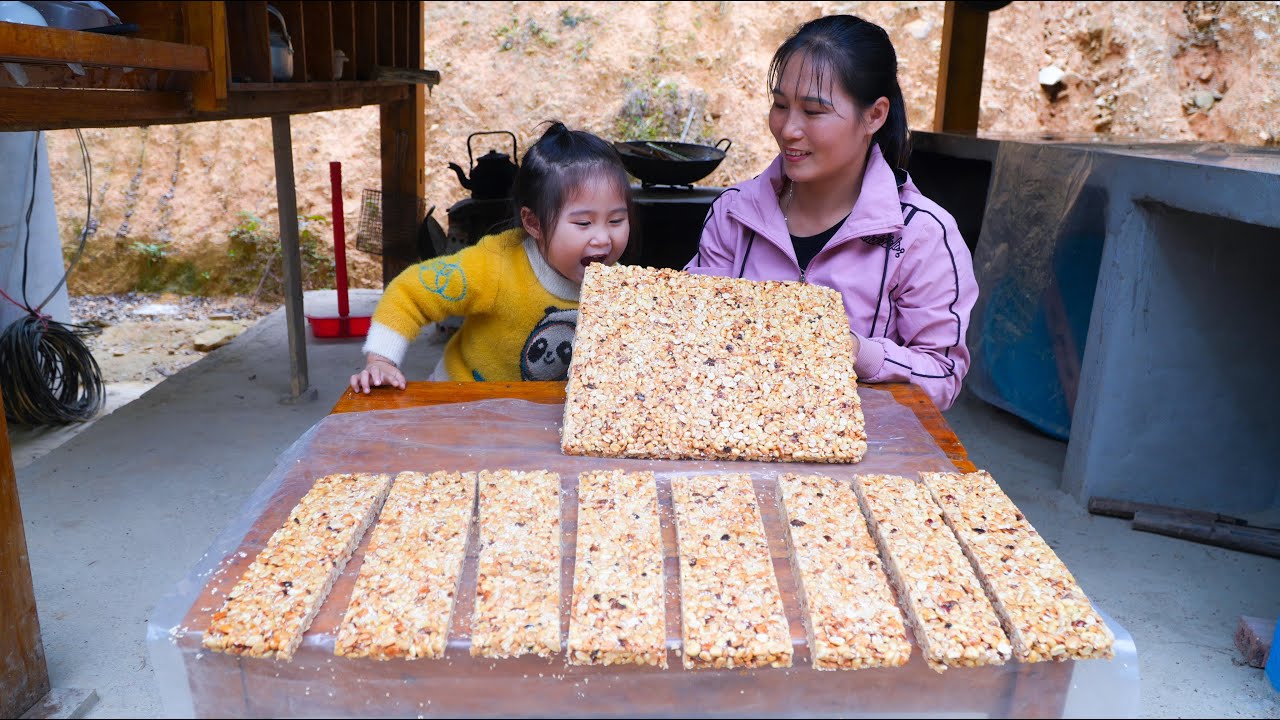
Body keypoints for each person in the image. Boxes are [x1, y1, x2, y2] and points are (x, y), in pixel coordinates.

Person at [686, 14, 978, 411]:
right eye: (780, 104)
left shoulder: (921, 236)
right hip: (732, 435)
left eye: (814, 111)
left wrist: (857, 351)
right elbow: (688, 333)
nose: (788, 128)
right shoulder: (734, 213)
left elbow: (942, 377)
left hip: (856, 457)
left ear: (874, 115)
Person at [350, 121, 632, 391]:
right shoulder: (495, 266)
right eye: (583, 223)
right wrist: (381, 361)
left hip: (543, 418)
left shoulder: (621, 289)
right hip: (460, 402)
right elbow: (409, 292)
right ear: (534, 223)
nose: (603, 238)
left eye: (616, 221)